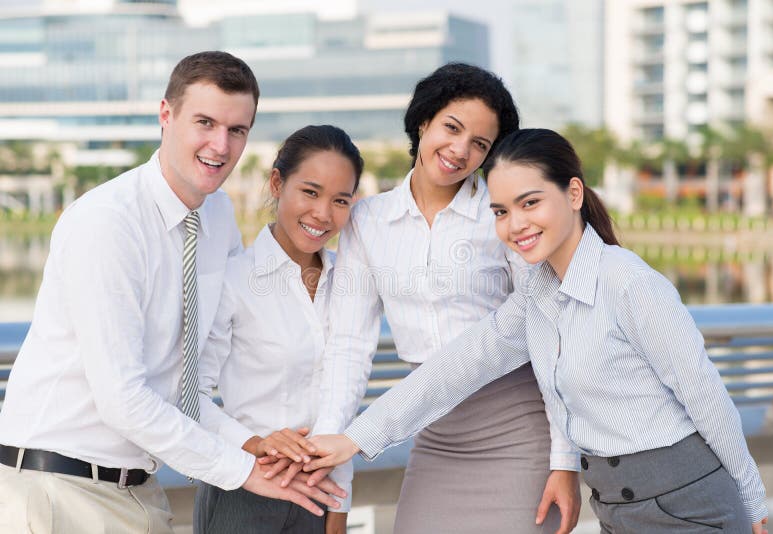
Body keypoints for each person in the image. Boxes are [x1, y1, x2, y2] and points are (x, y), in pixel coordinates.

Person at [305, 128, 770, 534]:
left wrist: (752, 504)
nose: (516, 225)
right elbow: (456, 367)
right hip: (617, 507)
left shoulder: (627, 282)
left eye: (530, 203)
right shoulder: (538, 296)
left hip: (690, 505)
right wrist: (355, 438)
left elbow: (707, 398)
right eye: (502, 211)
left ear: (573, 194)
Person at [0, 51, 343, 534]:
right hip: (56, 490)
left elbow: (184, 389)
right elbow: (123, 398)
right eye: (204, 122)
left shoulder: (219, 218)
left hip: (138, 491)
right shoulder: (107, 223)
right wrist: (243, 471)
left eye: (237, 130)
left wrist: (252, 444)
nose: (220, 145)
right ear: (166, 115)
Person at [268, 64, 581, 534]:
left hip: (520, 434)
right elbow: (348, 349)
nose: (460, 150)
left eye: (480, 143)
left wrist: (565, 459)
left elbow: (546, 333)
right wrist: (333, 465)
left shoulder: (500, 215)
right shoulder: (367, 220)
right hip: (434, 435)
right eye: (451, 128)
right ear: (423, 122)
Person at [193, 125, 363, 534]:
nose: (323, 214)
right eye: (310, 191)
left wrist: (339, 512)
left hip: (320, 501)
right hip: (243, 493)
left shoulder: (353, 282)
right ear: (277, 183)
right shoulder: (232, 279)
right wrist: (256, 443)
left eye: (340, 200)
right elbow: (189, 397)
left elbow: (343, 401)